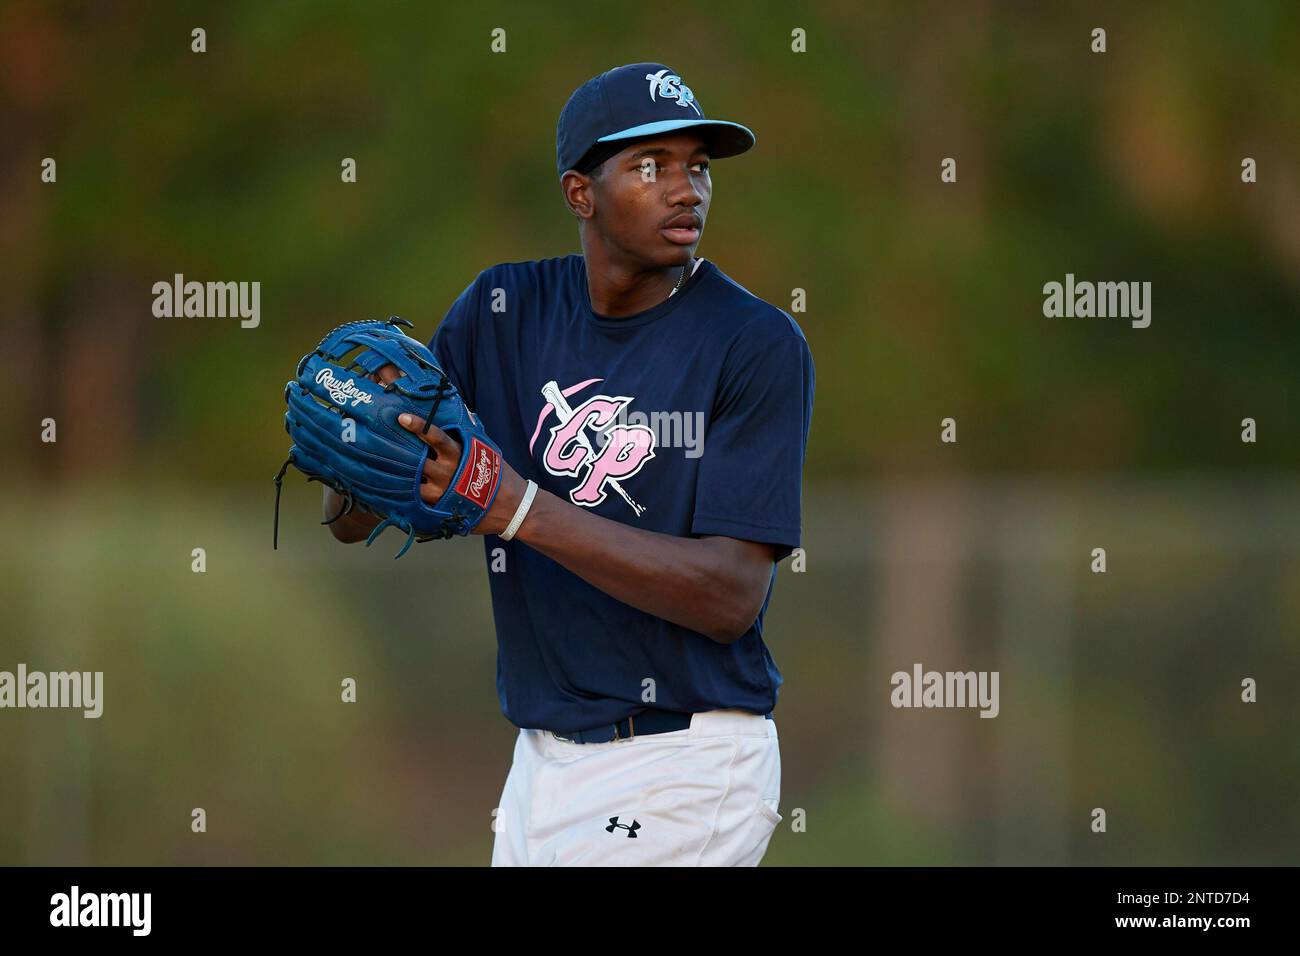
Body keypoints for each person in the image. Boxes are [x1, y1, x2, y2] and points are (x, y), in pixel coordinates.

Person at [326, 63, 814, 866]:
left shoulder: (752, 344)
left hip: (684, 761)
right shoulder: (500, 314)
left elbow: (731, 595)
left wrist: (516, 508)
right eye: (649, 166)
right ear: (579, 193)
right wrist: (353, 450)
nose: (686, 188)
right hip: (541, 766)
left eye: (697, 166)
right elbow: (366, 515)